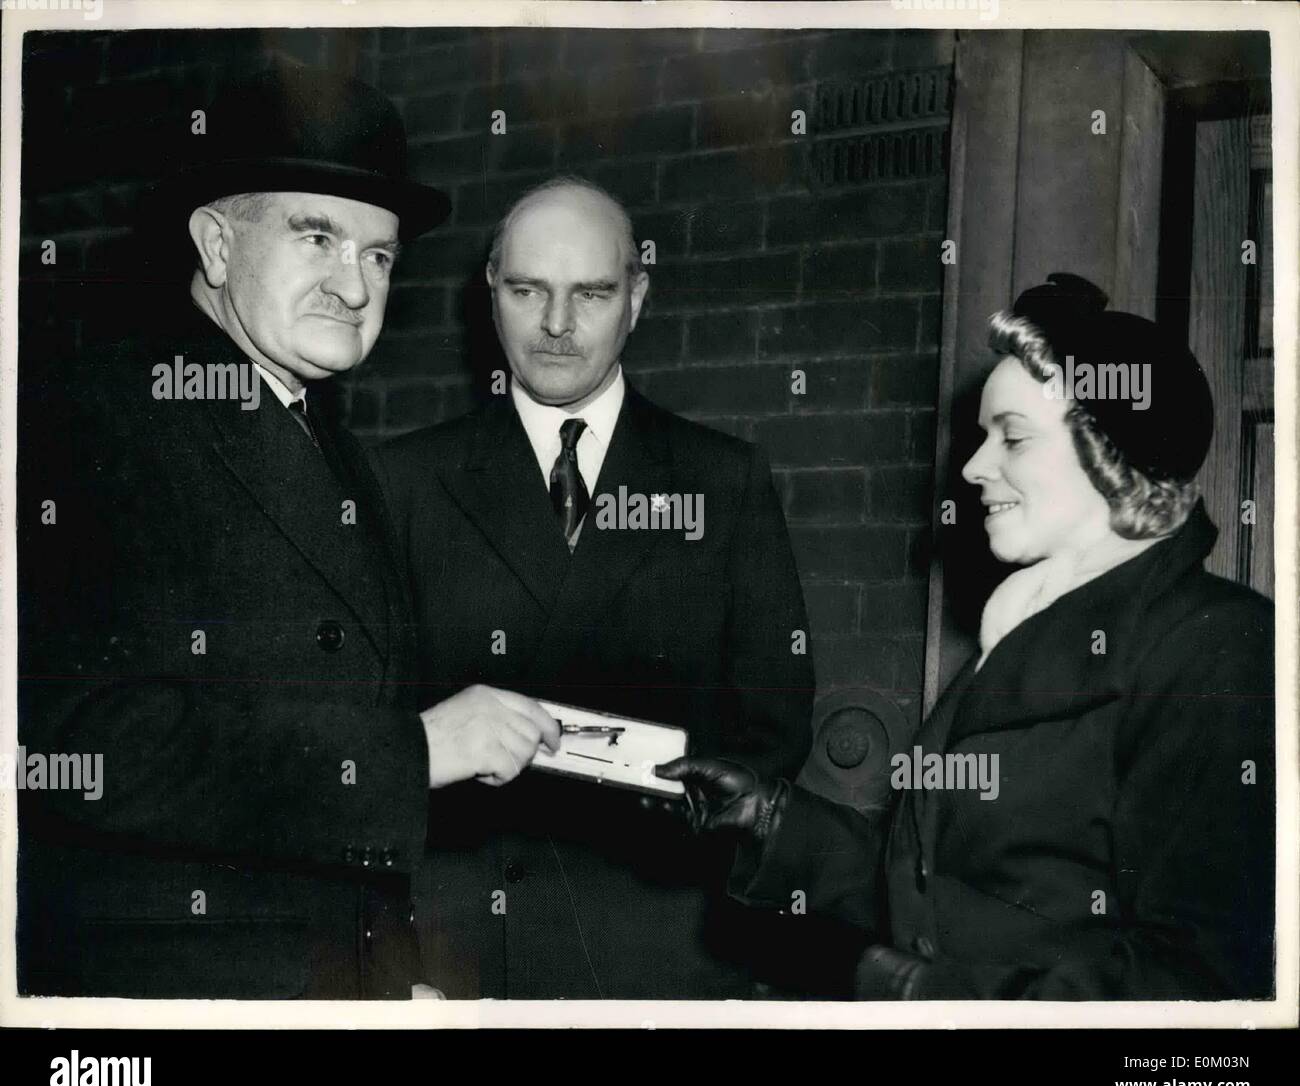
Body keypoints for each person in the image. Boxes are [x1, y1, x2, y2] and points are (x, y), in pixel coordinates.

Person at [16, 64, 559, 1000]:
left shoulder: (339, 450)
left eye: (380, 255)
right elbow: (69, 747)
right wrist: (419, 752)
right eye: (319, 236)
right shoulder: (91, 419)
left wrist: (386, 979)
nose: (354, 285)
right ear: (217, 246)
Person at [661, 273, 1275, 1000]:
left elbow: (1194, 981)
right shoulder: (1021, 630)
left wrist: (937, 997)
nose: (976, 467)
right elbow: (932, 893)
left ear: (1111, 454)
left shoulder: (1217, 645)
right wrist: (773, 819)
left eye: (1010, 437)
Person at [373, 176, 815, 999]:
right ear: (490, 295)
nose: (556, 326)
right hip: (458, 948)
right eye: (527, 289)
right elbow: (370, 727)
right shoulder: (403, 479)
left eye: (593, 292)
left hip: (657, 948)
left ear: (637, 298)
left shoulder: (725, 481)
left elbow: (775, 721)